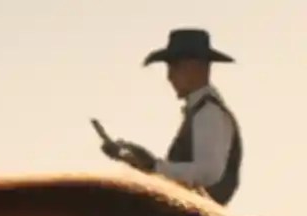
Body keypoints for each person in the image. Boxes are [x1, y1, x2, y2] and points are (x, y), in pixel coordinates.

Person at [102, 29, 243, 206]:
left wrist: (154, 166)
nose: (169, 76)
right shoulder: (202, 111)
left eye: (175, 67)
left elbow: (209, 172)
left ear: (196, 67)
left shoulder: (209, 113)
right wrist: (136, 161)